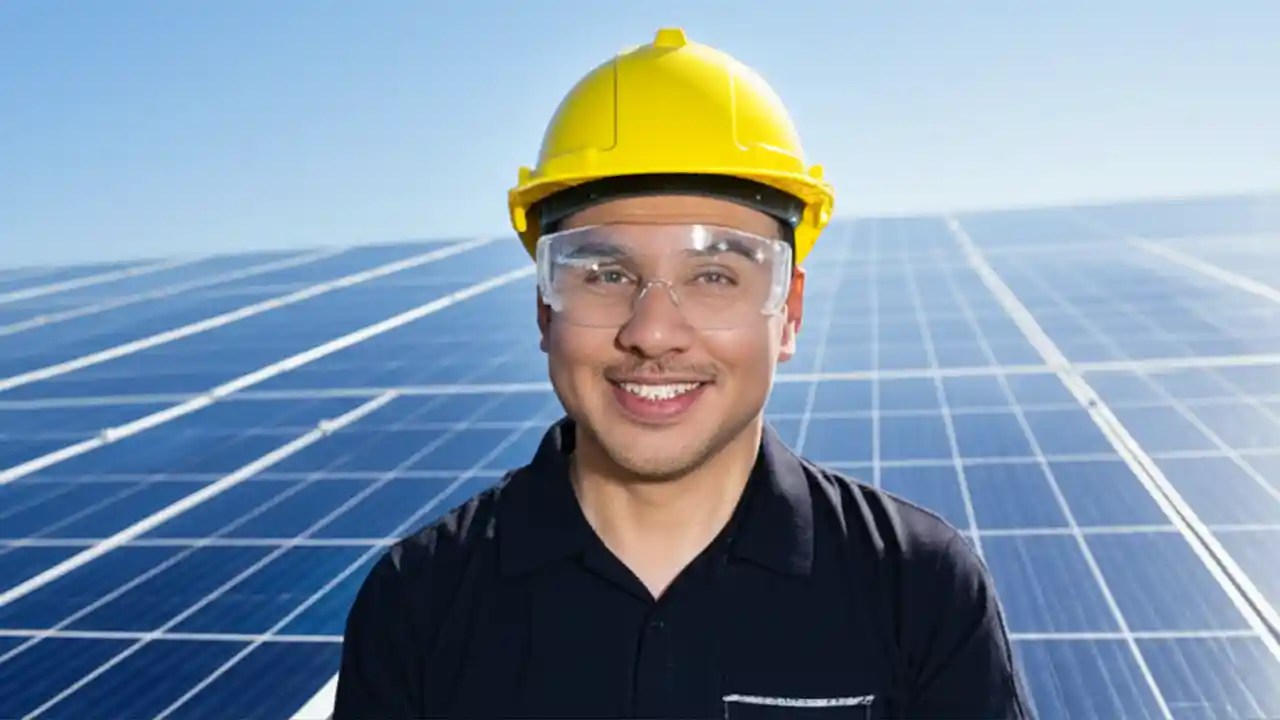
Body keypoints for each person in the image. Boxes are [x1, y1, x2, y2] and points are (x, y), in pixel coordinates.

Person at [333, 27, 1031, 719]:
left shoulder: (919, 586)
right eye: (605, 274)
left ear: (787, 312)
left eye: (714, 276)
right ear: (544, 310)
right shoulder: (418, 601)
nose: (652, 332)